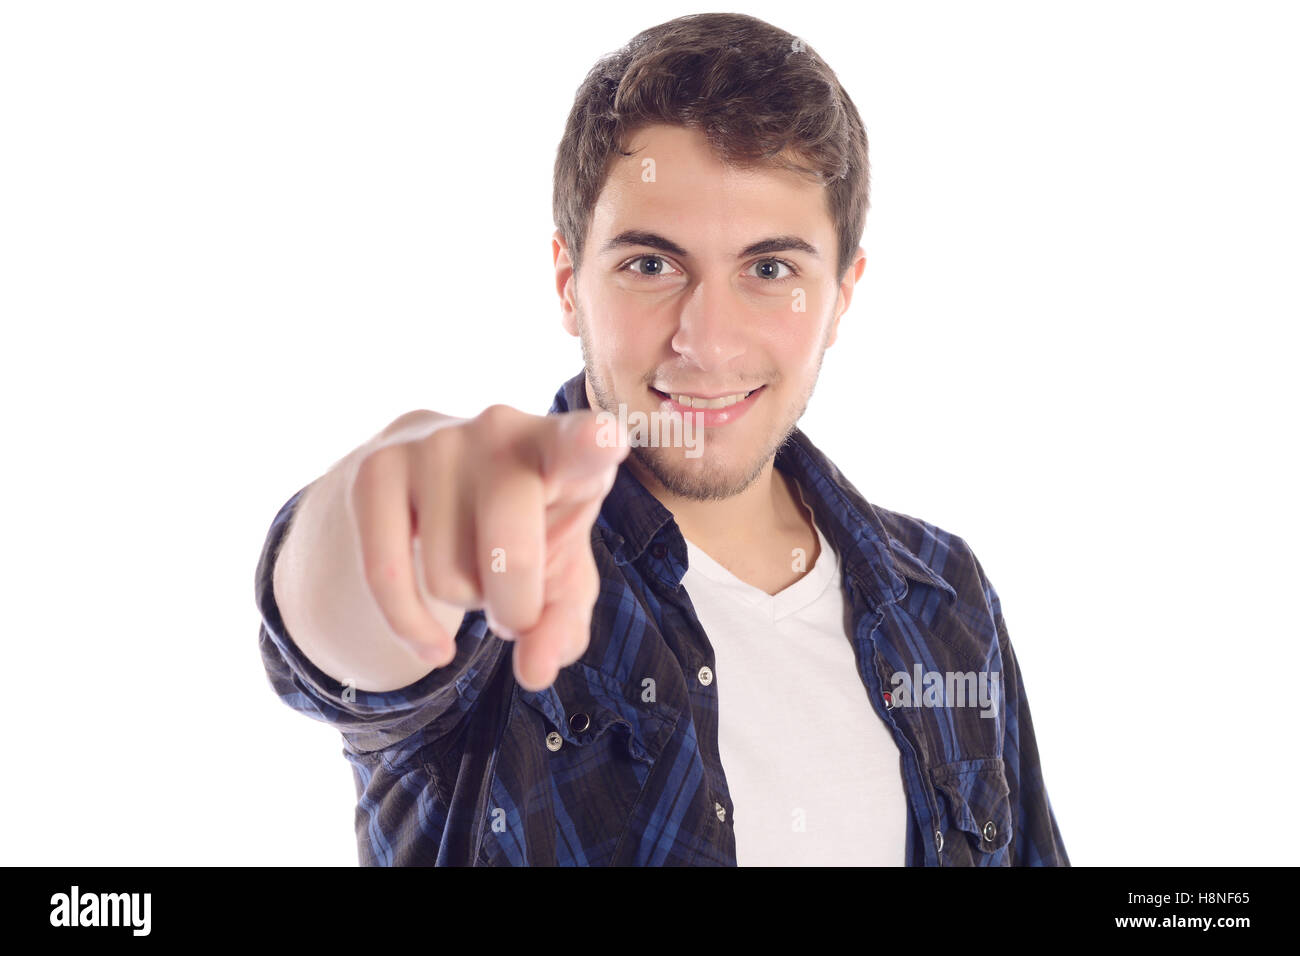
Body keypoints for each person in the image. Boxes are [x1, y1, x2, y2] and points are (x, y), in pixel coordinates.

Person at [254, 12, 1069, 867]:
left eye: (769, 269)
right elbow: (343, 614)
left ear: (841, 295)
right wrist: (389, 522)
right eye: (651, 264)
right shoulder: (506, 579)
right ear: (569, 282)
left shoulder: (946, 597)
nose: (707, 341)